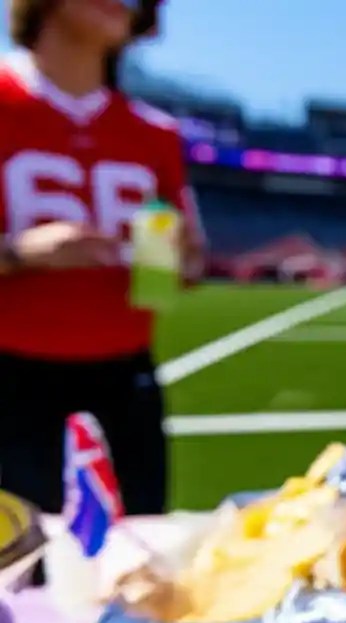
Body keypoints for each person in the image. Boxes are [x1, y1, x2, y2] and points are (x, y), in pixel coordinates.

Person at [0, 0, 200, 515]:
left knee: (136, 553)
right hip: (13, 375)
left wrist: (176, 262)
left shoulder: (156, 132)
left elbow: (190, 264)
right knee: (20, 569)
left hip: (125, 378)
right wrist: (19, 253)